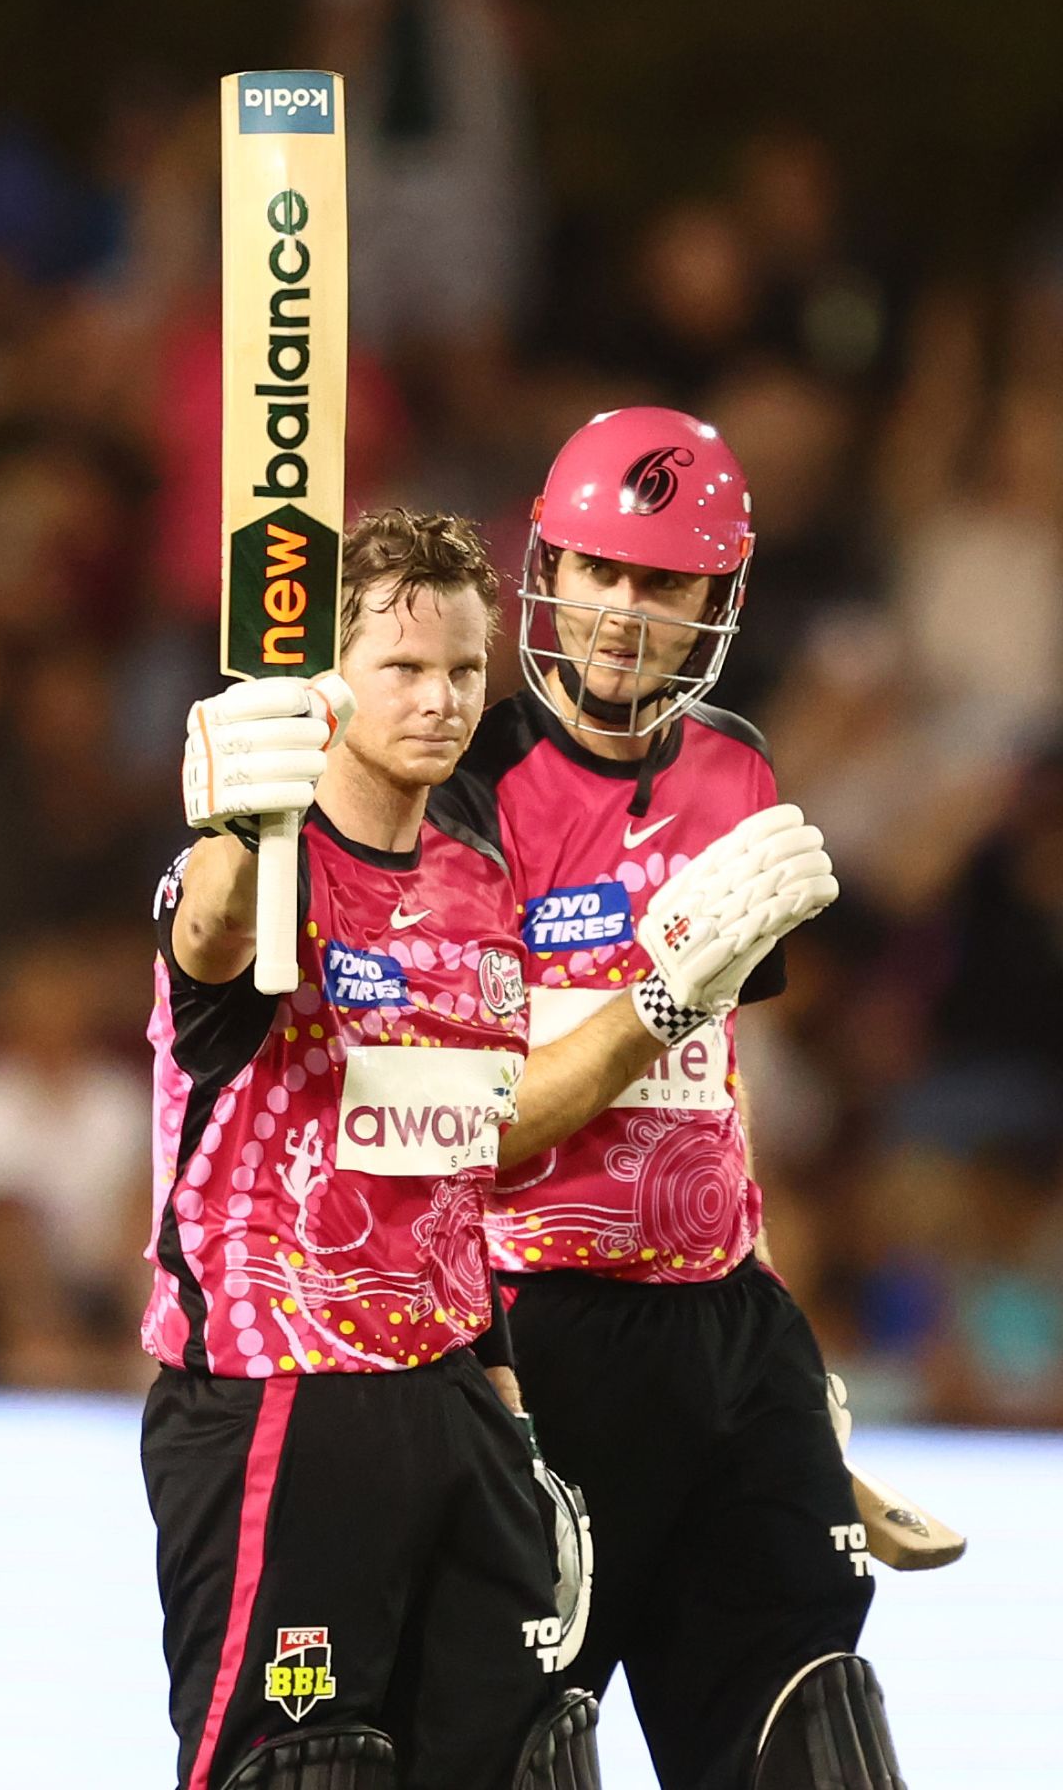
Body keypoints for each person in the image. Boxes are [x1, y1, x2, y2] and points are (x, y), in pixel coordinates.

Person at [140, 506, 835, 1790]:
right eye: (402, 668)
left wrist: (511, 1419)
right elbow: (214, 942)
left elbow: (468, 1166)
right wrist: (236, 825)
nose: (443, 699)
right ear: (327, 681)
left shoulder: (477, 879)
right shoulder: (267, 869)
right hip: (283, 1399)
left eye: (465, 669)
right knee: (302, 1767)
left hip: (460, 1396)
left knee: (525, 1760)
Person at [429, 409, 905, 1790]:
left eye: (663, 582)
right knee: (529, 1745)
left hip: (723, 1323)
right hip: (537, 1320)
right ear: (549, 572)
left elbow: (719, 1099)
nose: (624, 612)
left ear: (715, 602)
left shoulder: (736, 768)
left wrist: (777, 1327)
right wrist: (661, 996)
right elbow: (477, 1122)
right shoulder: (469, 783)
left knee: (812, 1721)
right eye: (597, 570)